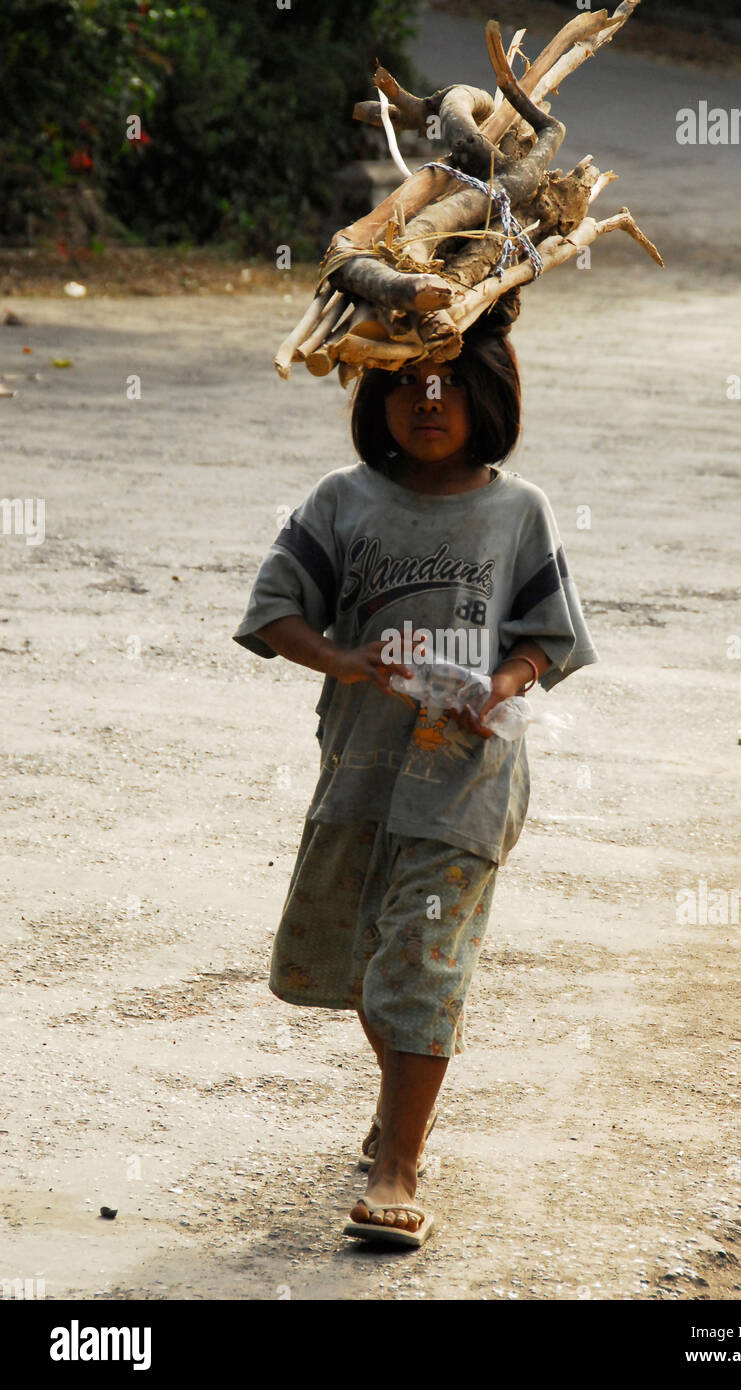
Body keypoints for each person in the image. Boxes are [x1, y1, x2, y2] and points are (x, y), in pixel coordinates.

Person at [232, 290, 598, 1247]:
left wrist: (502, 680)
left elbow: (548, 640)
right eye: (404, 385)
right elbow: (275, 610)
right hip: (359, 775)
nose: (427, 403)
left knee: (418, 967)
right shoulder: (340, 501)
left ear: (486, 397)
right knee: (363, 965)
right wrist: (344, 659)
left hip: (467, 785)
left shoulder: (519, 511)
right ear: (374, 399)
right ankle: (400, 1108)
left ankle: (399, 1166)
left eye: (448, 385)